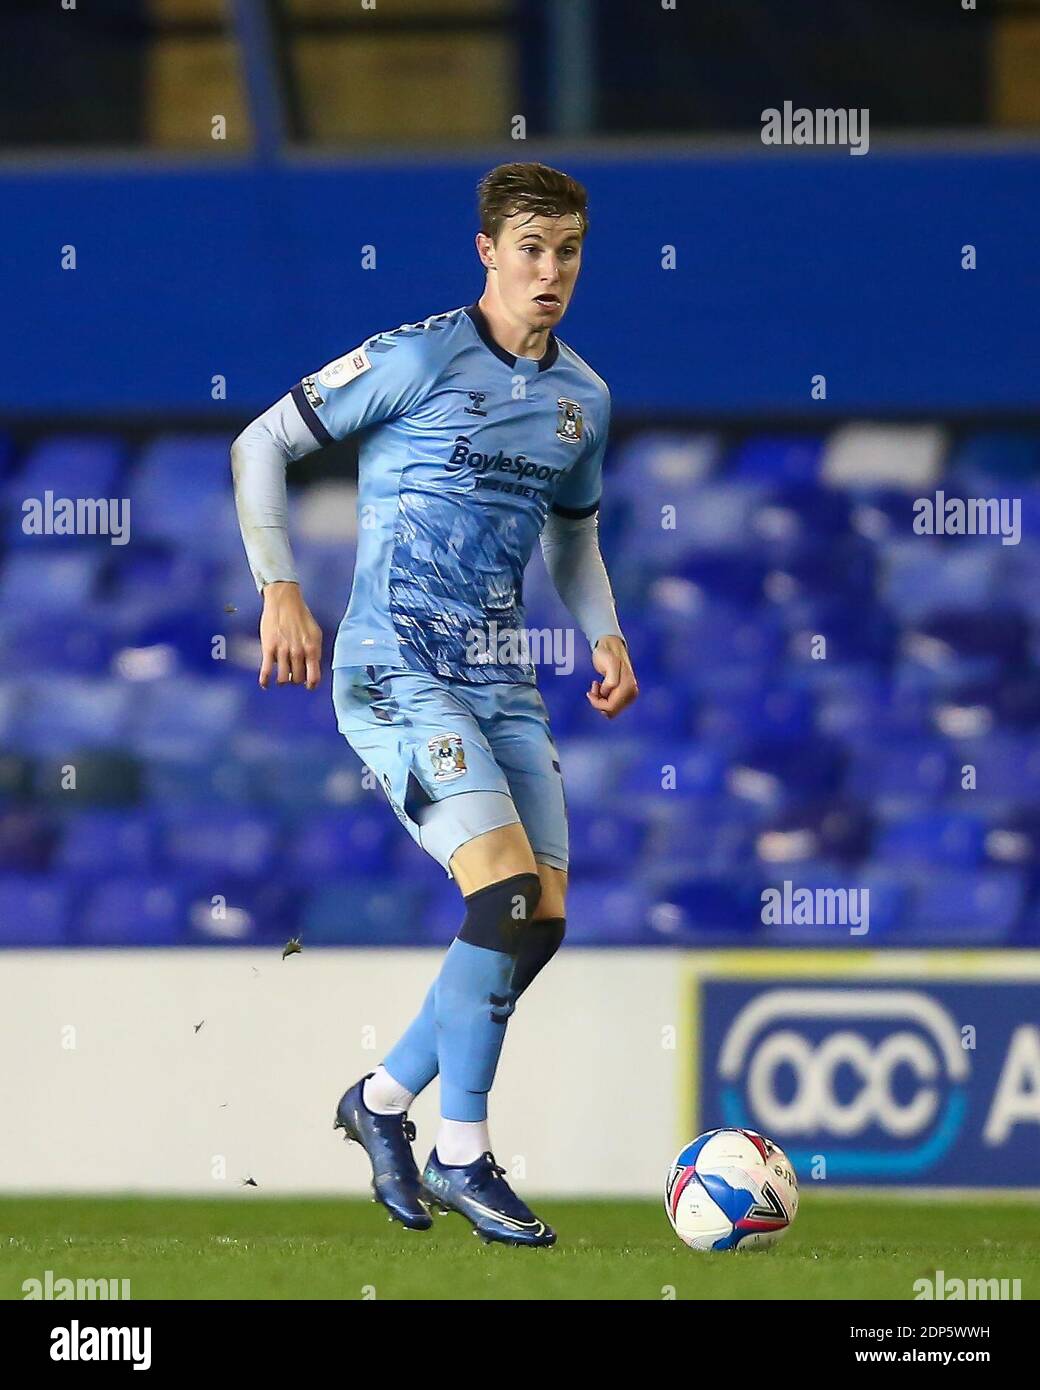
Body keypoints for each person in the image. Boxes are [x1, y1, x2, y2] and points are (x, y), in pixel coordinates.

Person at [231, 161, 638, 1247]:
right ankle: (464, 1153)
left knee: (539, 921)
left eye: (567, 252)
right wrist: (280, 585)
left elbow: (573, 533)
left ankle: (378, 1100)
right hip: (395, 669)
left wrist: (602, 629)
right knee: (504, 898)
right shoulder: (414, 357)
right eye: (529, 250)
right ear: (487, 254)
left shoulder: (581, 399)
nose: (549, 272)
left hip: (501, 675)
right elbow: (259, 441)